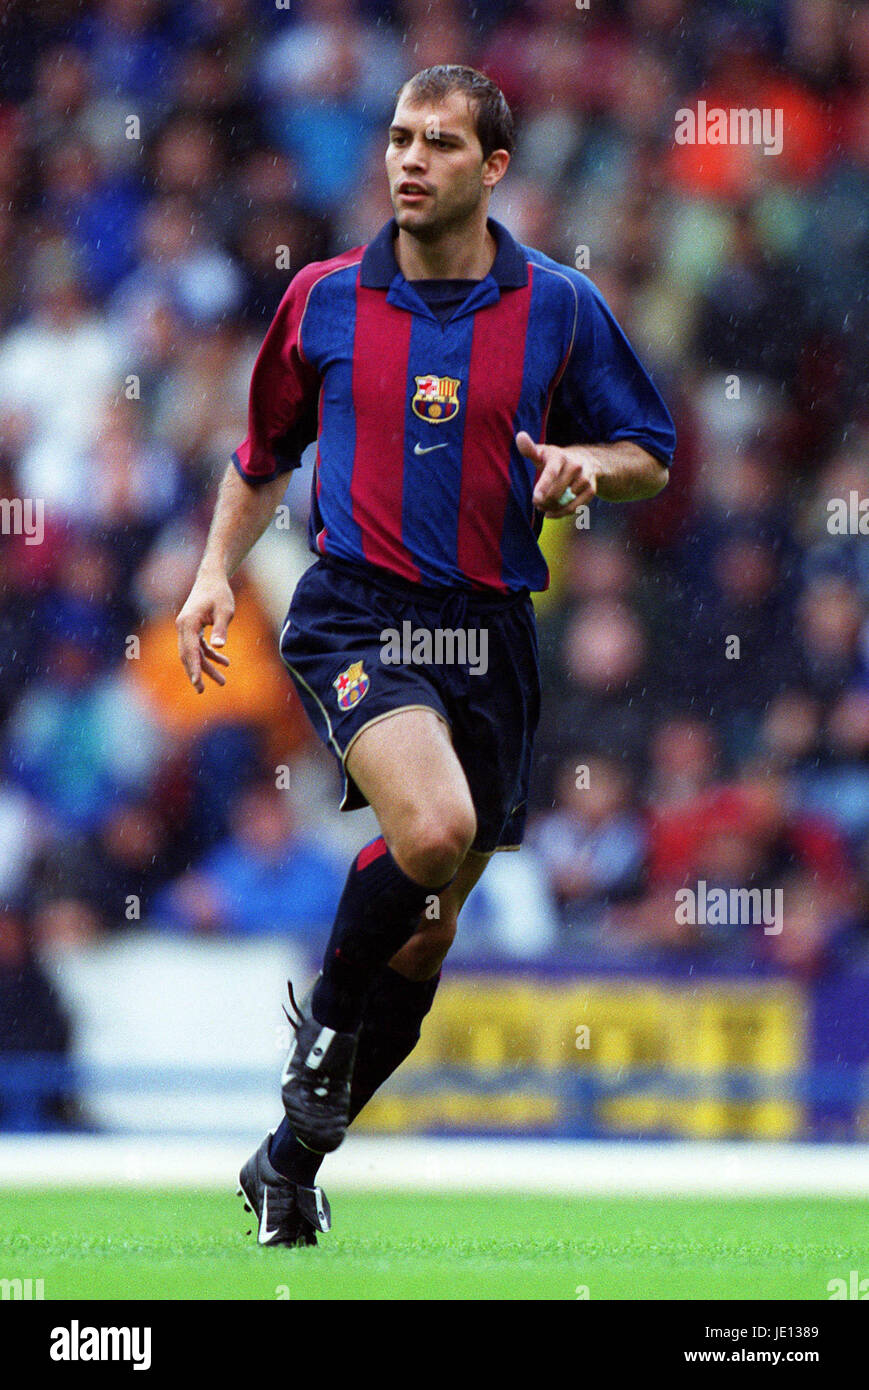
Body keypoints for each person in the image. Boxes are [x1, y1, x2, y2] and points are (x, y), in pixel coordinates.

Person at [176, 65, 675, 1247]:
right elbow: (262, 453)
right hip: (358, 609)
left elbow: (646, 449)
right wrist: (209, 574)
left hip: (490, 630)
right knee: (435, 829)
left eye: (439, 143)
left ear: (492, 168)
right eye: (399, 137)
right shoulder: (323, 299)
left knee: (431, 922)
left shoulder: (556, 306)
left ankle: (290, 1157)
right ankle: (323, 1037)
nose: (408, 159)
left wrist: (585, 469)